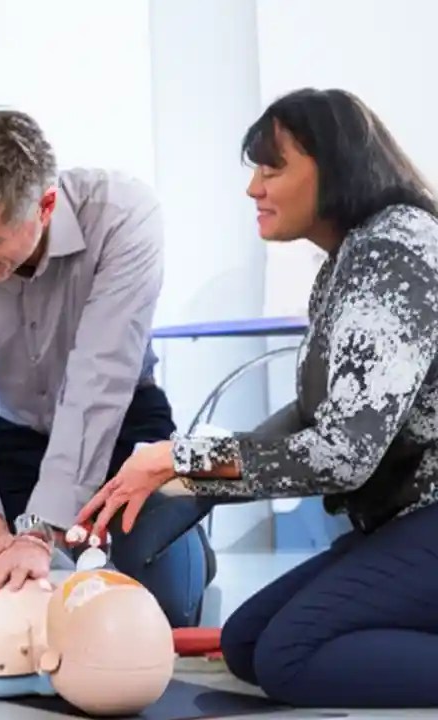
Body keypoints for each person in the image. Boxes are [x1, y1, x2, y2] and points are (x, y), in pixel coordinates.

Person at [78, 88, 438, 708]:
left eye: (273, 168)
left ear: (338, 168)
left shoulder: (392, 254)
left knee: (288, 656)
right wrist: (182, 476)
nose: (254, 188)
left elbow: (343, 455)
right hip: (405, 524)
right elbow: (309, 415)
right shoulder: (348, 259)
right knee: (247, 642)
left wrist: (181, 463)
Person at [0, 108, 209, 627]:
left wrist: (39, 535)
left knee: (152, 611)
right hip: (7, 430)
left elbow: (99, 381)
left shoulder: (122, 217)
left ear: (45, 206)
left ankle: (189, 548)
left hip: (120, 427)